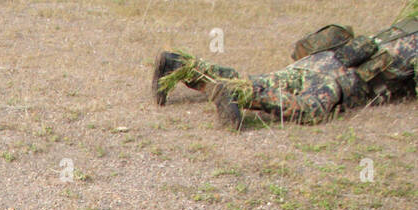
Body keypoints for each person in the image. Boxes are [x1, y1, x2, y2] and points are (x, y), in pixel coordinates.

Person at [151, 7, 418, 128]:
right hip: (341, 79)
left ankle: (181, 65)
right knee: (310, 110)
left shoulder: (408, 24)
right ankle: (240, 95)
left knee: (259, 79)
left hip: (322, 59)